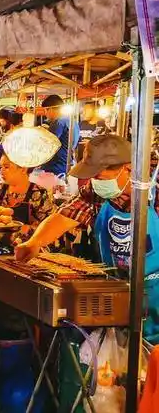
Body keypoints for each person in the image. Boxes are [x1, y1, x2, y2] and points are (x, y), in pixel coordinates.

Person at [15, 134, 159, 341]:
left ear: (128, 168)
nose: (94, 181)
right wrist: (35, 242)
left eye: (100, 176)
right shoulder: (97, 194)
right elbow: (65, 217)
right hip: (117, 294)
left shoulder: (155, 193)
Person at [40, 94, 78, 177]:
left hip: (55, 166)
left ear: (51, 109)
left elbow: (48, 143)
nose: (45, 114)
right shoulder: (72, 121)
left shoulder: (58, 122)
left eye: (46, 110)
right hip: (66, 163)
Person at [0, 110, 23, 175]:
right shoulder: (6, 142)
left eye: (22, 126)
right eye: (19, 126)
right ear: (12, 126)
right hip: (6, 174)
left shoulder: (23, 141)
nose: (21, 129)